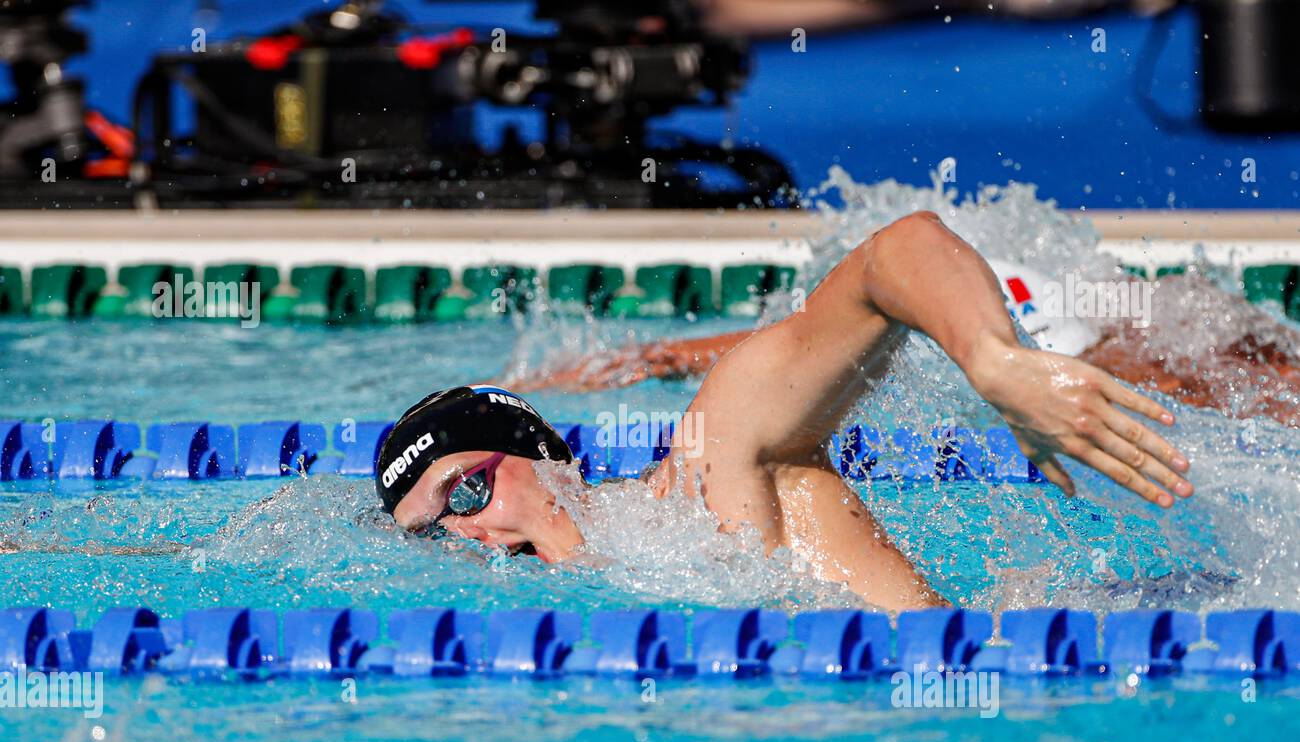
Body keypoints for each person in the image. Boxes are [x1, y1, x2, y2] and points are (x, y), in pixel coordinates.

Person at [378, 212, 1193, 612]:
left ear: (539, 450)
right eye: (430, 532)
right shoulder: (591, 608)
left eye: (470, 491)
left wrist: (994, 362)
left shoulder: (708, 476)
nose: (467, 536)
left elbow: (894, 253)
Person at [506, 259, 1300, 429]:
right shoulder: (1105, 329)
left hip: (1043, 313)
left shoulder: (1099, 343)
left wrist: (650, 362)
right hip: (1048, 304)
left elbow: (768, 345)